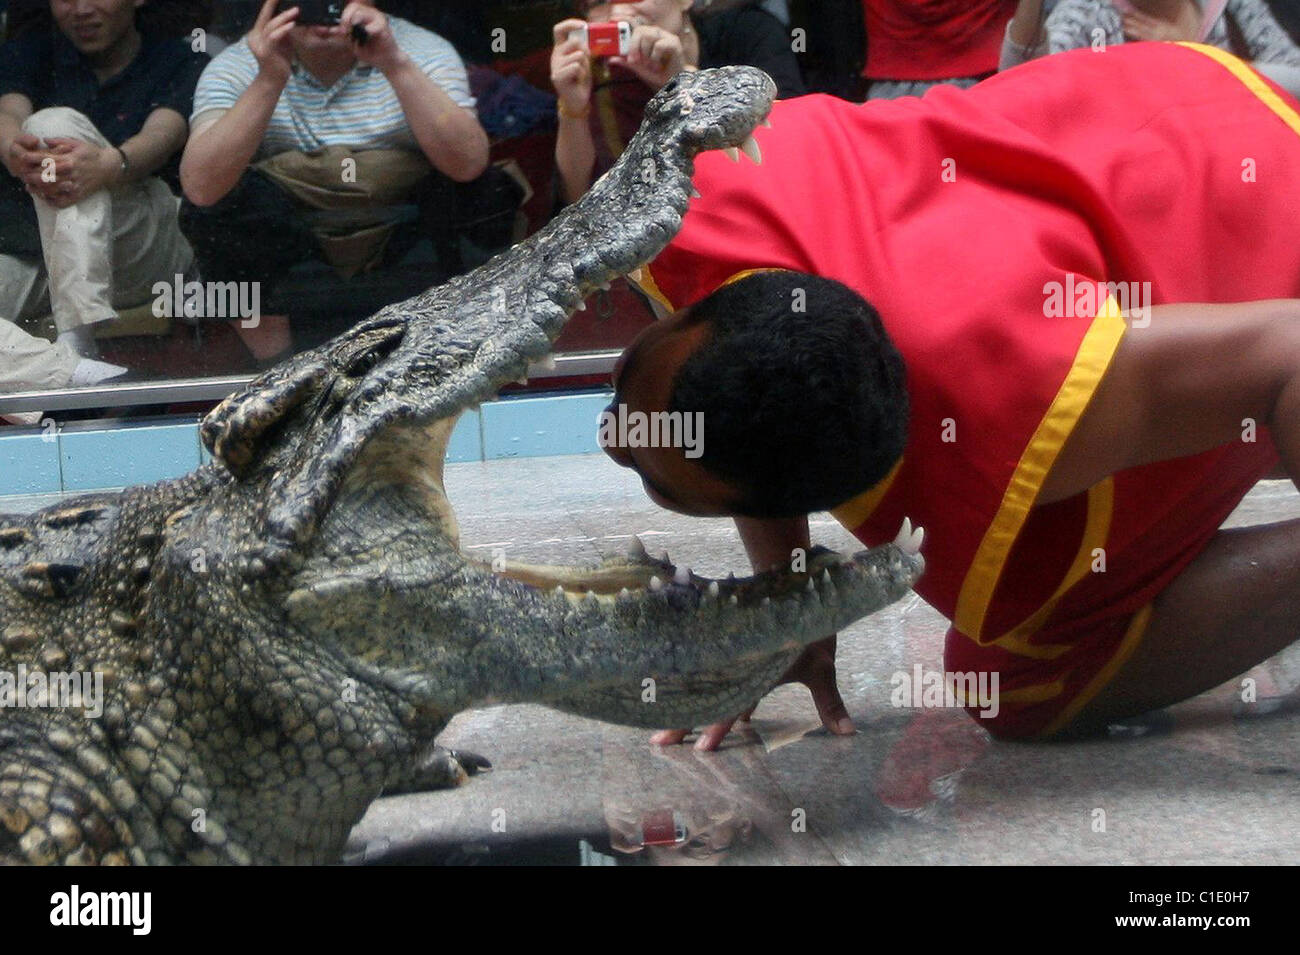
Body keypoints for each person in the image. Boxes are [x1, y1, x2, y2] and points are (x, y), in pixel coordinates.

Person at [603, 41, 1300, 748]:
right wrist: (792, 605)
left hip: (1257, 178)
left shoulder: (1015, 401)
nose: (615, 439)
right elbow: (752, 390)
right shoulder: (705, 191)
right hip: (1153, 105)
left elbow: (1290, 350)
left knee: (1021, 683)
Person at [178, 0, 491, 297]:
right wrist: (269, 79)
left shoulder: (421, 50)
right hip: (288, 244)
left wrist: (394, 63)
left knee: (487, 194)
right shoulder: (240, 63)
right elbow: (202, 189)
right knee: (213, 212)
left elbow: (468, 164)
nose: (326, 6)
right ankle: (273, 354)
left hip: (402, 232)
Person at [0, 0, 204, 397]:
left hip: (141, 246)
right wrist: (13, 151)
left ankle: (78, 332)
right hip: (43, 255)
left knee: (51, 126)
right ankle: (75, 373)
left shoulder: (178, 57)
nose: (81, 9)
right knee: (43, 139)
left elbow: (163, 136)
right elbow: (8, 112)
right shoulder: (31, 53)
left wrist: (110, 165)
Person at [551, 0, 803, 205]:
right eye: (598, 2)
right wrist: (572, 106)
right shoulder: (592, 71)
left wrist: (682, 80)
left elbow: (791, 143)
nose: (617, 12)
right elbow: (577, 199)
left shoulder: (750, 31)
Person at [1002, 0, 1300, 89]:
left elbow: (1295, 79)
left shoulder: (1231, 6)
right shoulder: (1093, 14)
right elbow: (1020, 88)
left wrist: (1196, 58)